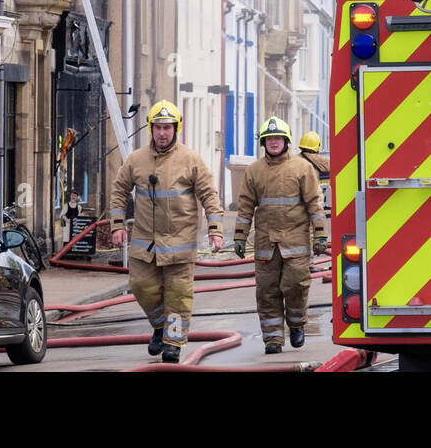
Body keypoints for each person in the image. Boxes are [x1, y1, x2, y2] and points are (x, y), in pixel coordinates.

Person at [110, 100, 223, 363]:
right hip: (144, 245)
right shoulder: (136, 160)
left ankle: (173, 343)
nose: (162, 133)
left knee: (177, 296)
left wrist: (215, 230)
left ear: (176, 129)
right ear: (151, 128)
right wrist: (117, 225)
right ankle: (160, 327)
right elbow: (118, 192)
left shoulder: (190, 160)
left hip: (179, 245)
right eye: (158, 127)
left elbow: (209, 195)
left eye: (167, 127)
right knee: (141, 287)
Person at [233, 116, 327, 354]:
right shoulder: (254, 171)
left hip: (295, 241)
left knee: (296, 285)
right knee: (267, 291)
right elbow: (245, 207)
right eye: (269, 139)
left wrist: (320, 235)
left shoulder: (302, 168)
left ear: (286, 141)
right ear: (263, 142)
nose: (273, 142)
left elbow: (315, 204)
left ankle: (296, 324)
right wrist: (240, 237)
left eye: (278, 138)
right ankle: (273, 339)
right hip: (266, 242)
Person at [298, 130, 331, 211]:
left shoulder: (294, 159)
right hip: (313, 196)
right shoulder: (321, 160)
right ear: (317, 146)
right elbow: (333, 169)